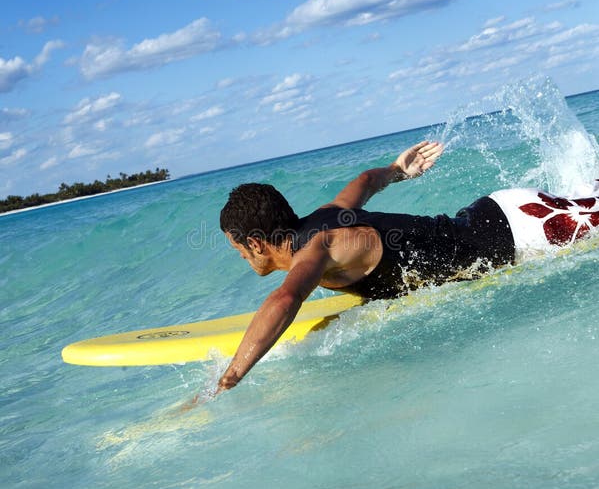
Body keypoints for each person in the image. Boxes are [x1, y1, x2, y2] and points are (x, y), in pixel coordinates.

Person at [217, 140, 599, 393]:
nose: (240, 257)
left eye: (237, 248)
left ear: (255, 242)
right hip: (496, 211)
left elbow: (286, 299)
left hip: (524, 232)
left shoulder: (317, 249)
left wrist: (229, 378)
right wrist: (398, 168)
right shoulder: (327, 215)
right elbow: (366, 181)